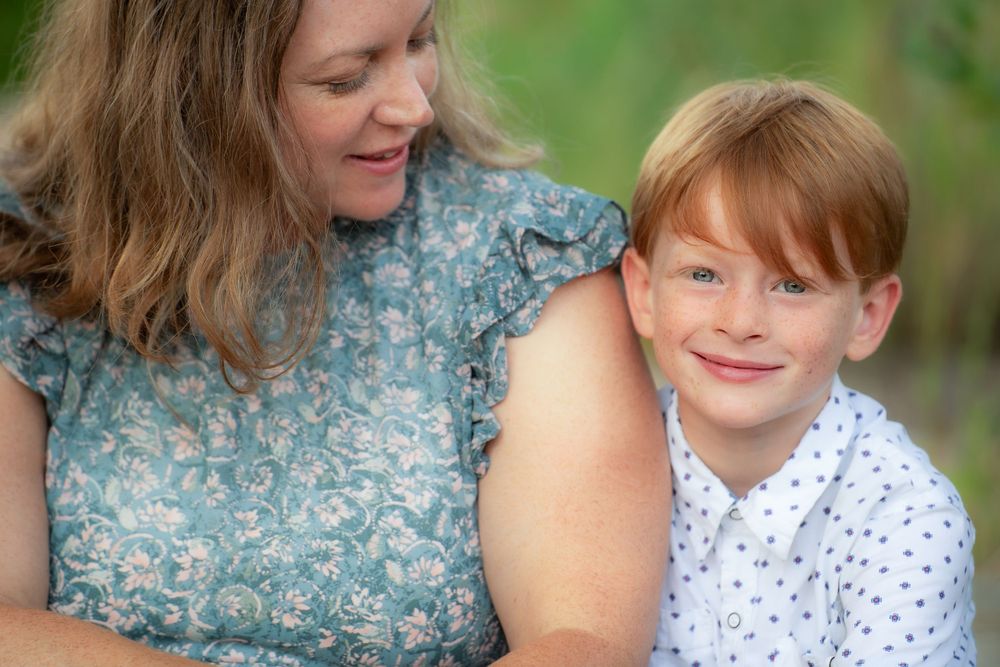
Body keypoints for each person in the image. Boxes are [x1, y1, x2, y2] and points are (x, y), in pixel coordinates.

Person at [0, 1, 670, 664]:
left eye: (419, 41)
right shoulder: (27, 255)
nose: (415, 107)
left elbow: (587, 642)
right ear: (192, 91)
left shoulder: (524, 258)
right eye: (346, 78)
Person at [621, 79, 976, 666]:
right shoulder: (599, 468)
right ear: (643, 292)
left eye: (792, 285)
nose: (740, 323)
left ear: (867, 316)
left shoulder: (908, 521)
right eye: (704, 275)